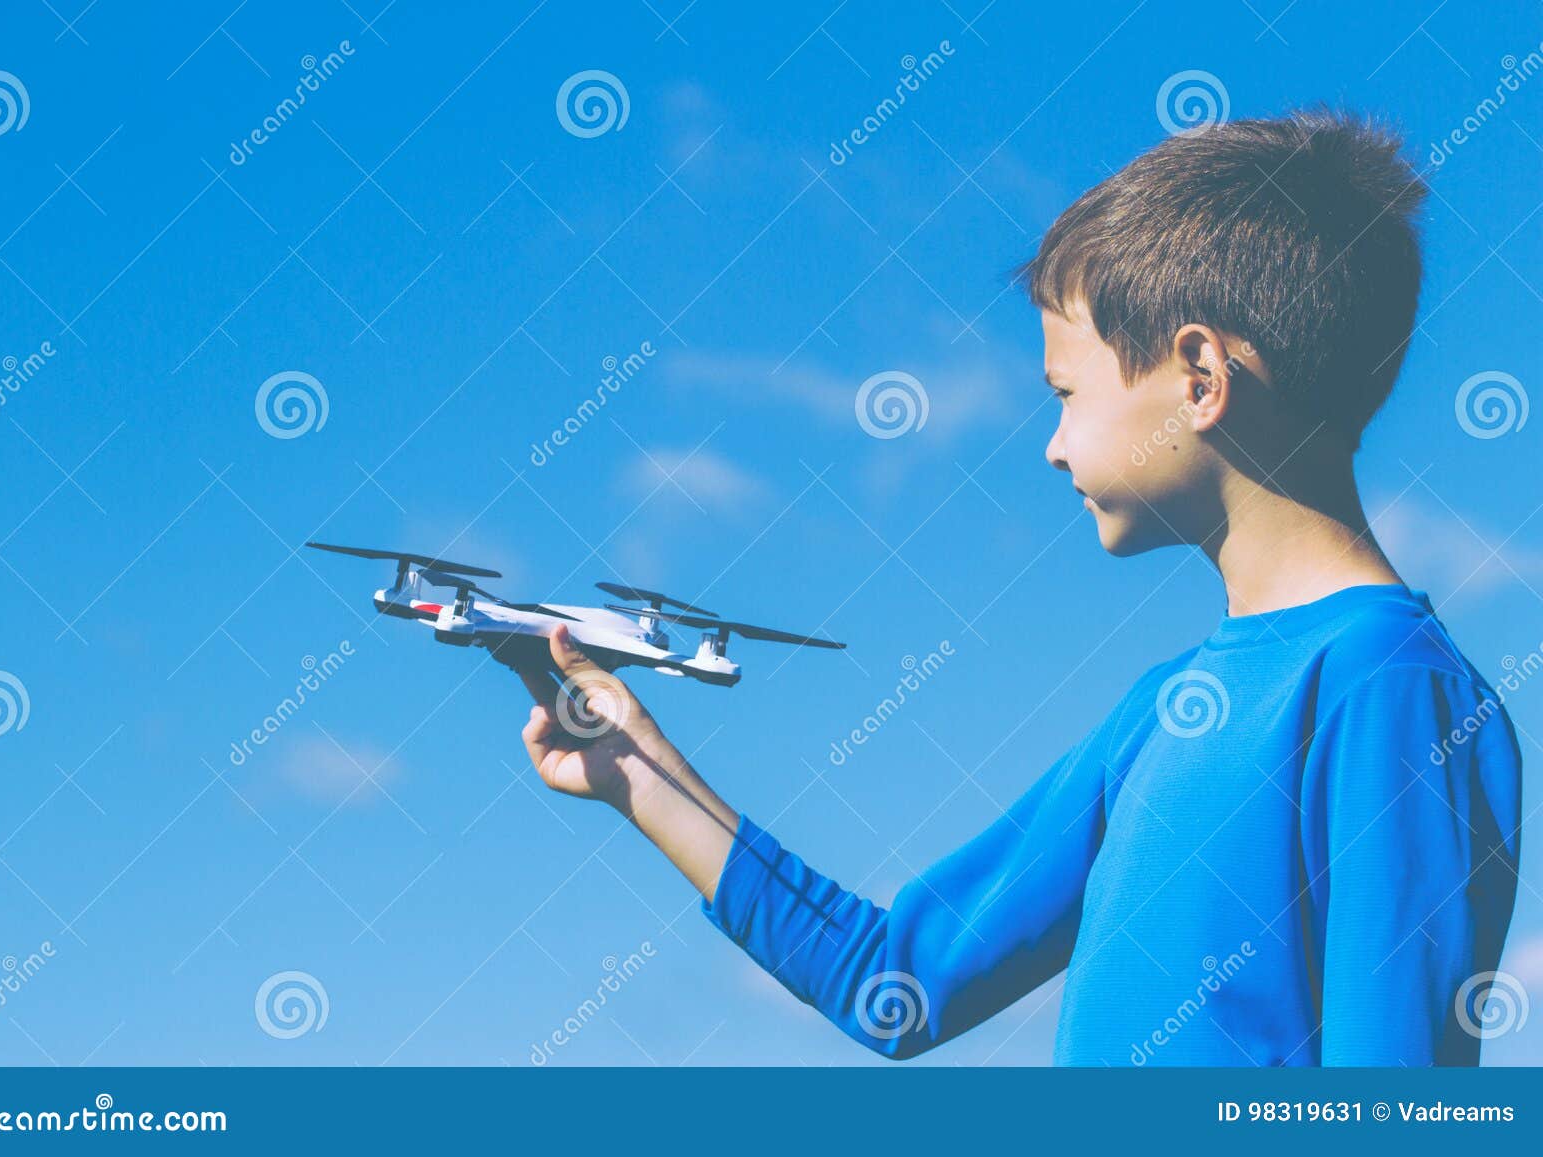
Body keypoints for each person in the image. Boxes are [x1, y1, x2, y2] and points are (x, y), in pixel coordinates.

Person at [512, 108, 1523, 1066]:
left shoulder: (1388, 689)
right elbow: (894, 978)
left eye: (1066, 393)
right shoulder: (1161, 712)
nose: (1051, 445)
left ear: (1200, 379)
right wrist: (638, 771)